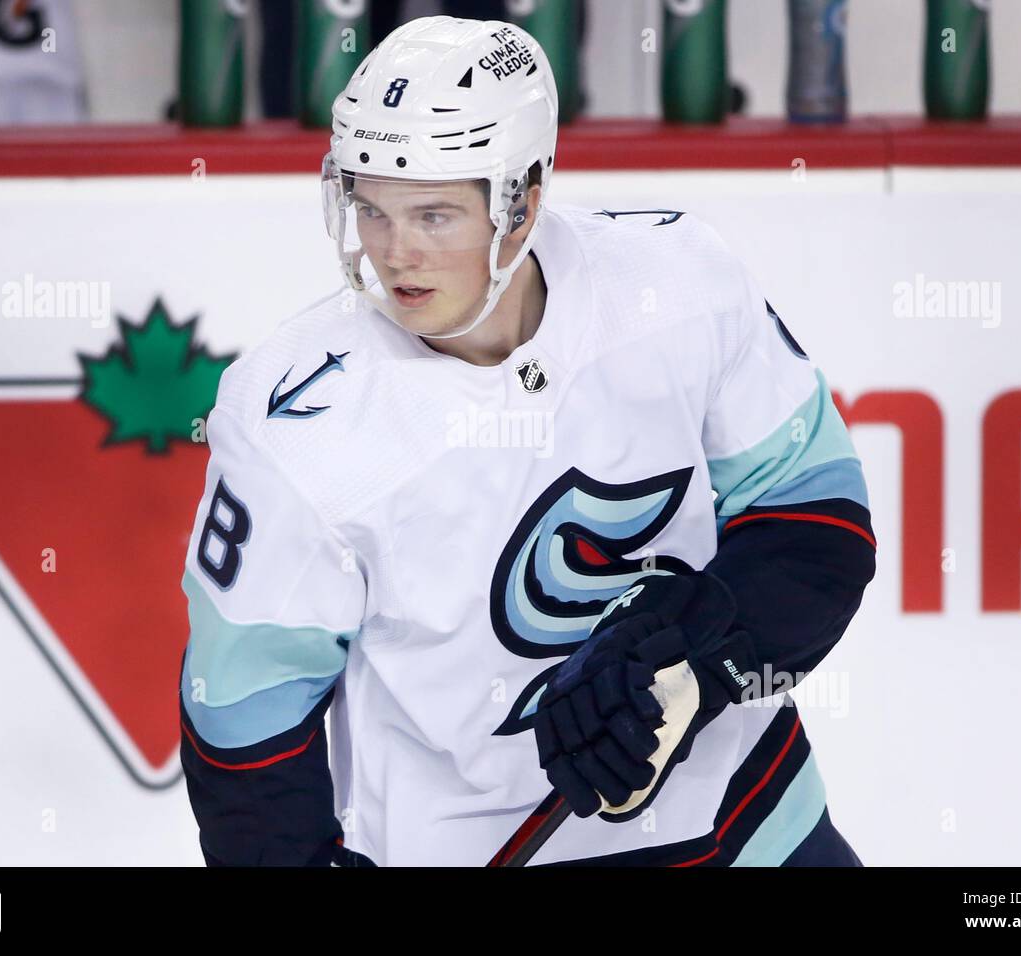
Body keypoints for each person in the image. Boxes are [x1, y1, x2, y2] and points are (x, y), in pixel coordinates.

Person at [177, 15, 875, 867]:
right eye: (372, 209)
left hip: (748, 826)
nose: (396, 254)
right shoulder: (293, 424)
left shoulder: (677, 283)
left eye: (434, 215)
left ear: (526, 201)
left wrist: (697, 662)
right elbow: (242, 735)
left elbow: (818, 523)